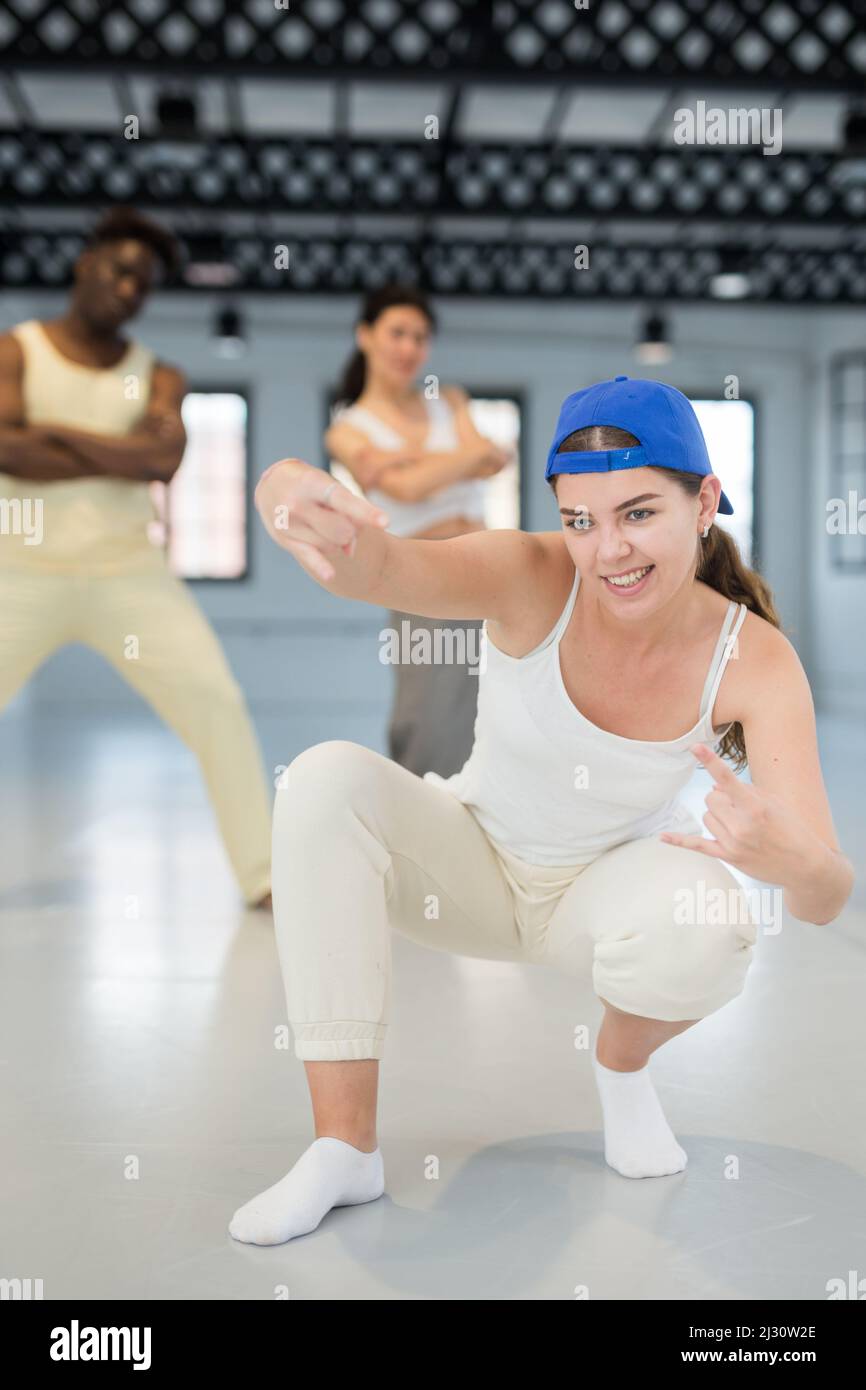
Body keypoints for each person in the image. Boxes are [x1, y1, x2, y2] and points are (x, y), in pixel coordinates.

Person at [230, 375, 854, 1245]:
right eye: (580, 519)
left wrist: (782, 858)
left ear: (704, 500)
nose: (607, 552)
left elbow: (825, 896)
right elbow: (381, 567)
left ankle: (622, 1069)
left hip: (597, 897)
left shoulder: (754, 659)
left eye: (639, 514)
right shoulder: (530, 575)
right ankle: (345, 1149)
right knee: (321, 780)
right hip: (470, 864)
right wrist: (285, 487)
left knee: (710, 913)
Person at [0, 206, 272, 910]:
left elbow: (163, 458)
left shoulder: (160, 376)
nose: (129, 290)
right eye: (119, 271)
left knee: (217, 700)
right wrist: (116, 454)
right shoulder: (17, 350)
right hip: (20, 569)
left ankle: (264, 874)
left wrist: (52, 432)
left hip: (129, 573)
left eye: (144, 283)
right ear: (81, 265)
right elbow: (5, 448)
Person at [325, 284, 510, 777]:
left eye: (420, 337)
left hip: (489, 570)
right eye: (397, 333)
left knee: (493, 713)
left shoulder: (447, 400)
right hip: (420, 577)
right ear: (365, 336)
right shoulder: (348, 428)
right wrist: (466, 456)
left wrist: (413, 462)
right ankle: (413, 837)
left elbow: (495, 459)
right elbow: (405, 492)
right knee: (426, 717)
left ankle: (481, 841)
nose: (409, 348)